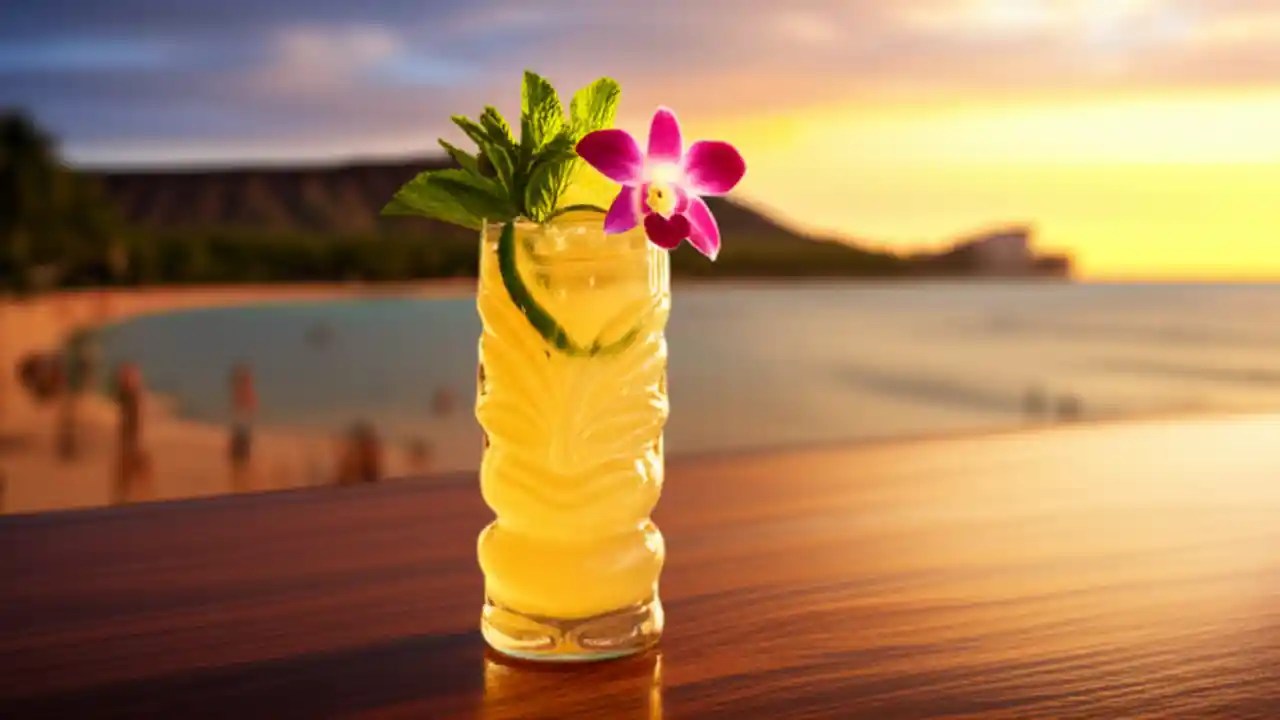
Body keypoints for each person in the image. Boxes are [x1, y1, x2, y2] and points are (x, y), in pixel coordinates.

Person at [113, 362, 150, 503]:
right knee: (128, 474)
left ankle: (134, 498)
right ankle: (130, 498)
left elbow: (135, 422)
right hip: (129, 441)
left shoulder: (132, 397)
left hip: (132, 441)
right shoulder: (128, 397)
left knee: (132, 473)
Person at [228, 363, 258, 492]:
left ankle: (242, 487)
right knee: (239, 464)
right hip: (241, 432)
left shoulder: (246, 394)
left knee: (242, 464)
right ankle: (240, 487)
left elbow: (249, 407)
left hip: (242, 432)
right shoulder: (243, 393)